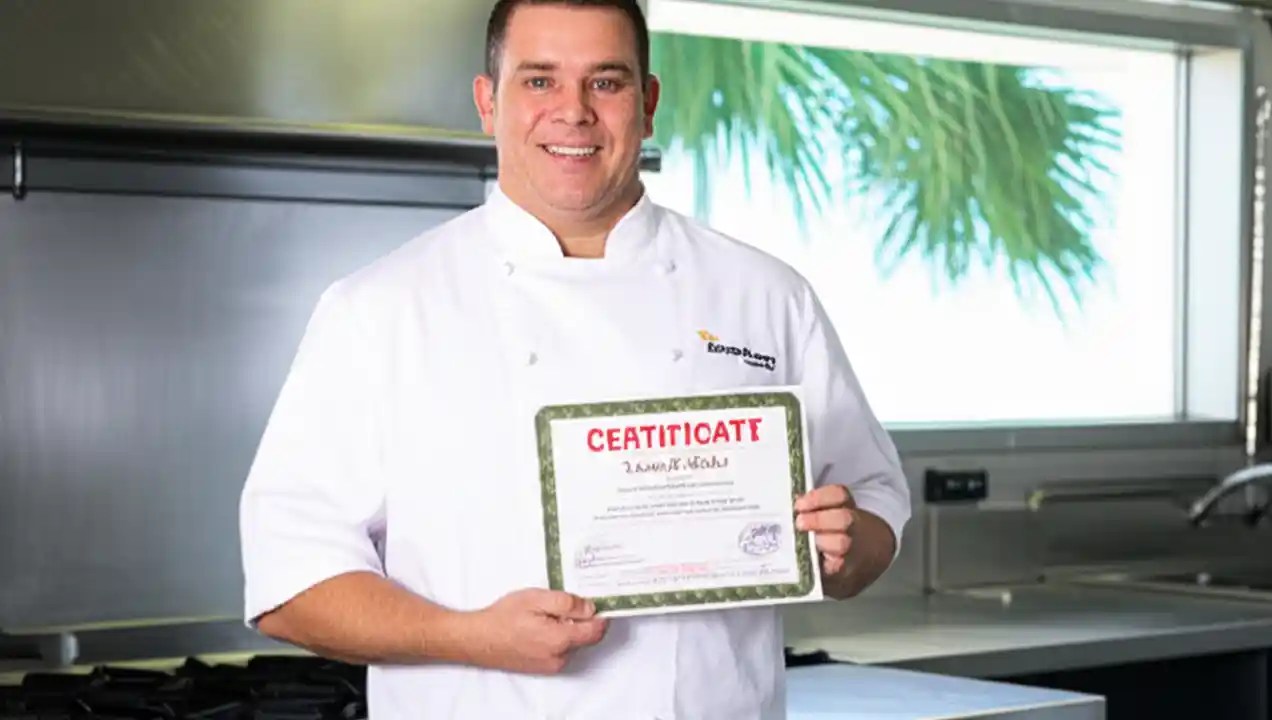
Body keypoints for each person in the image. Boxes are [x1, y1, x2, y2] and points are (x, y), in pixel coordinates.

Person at [238, 0, 911, 717]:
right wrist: (468, 637)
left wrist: (843, 550)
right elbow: (290, 582)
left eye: (606, 82)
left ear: (647, 104)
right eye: (539, 82)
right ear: (486, 101)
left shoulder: (764, 294)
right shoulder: (378, 309)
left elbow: (874, 505)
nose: (573, 112)